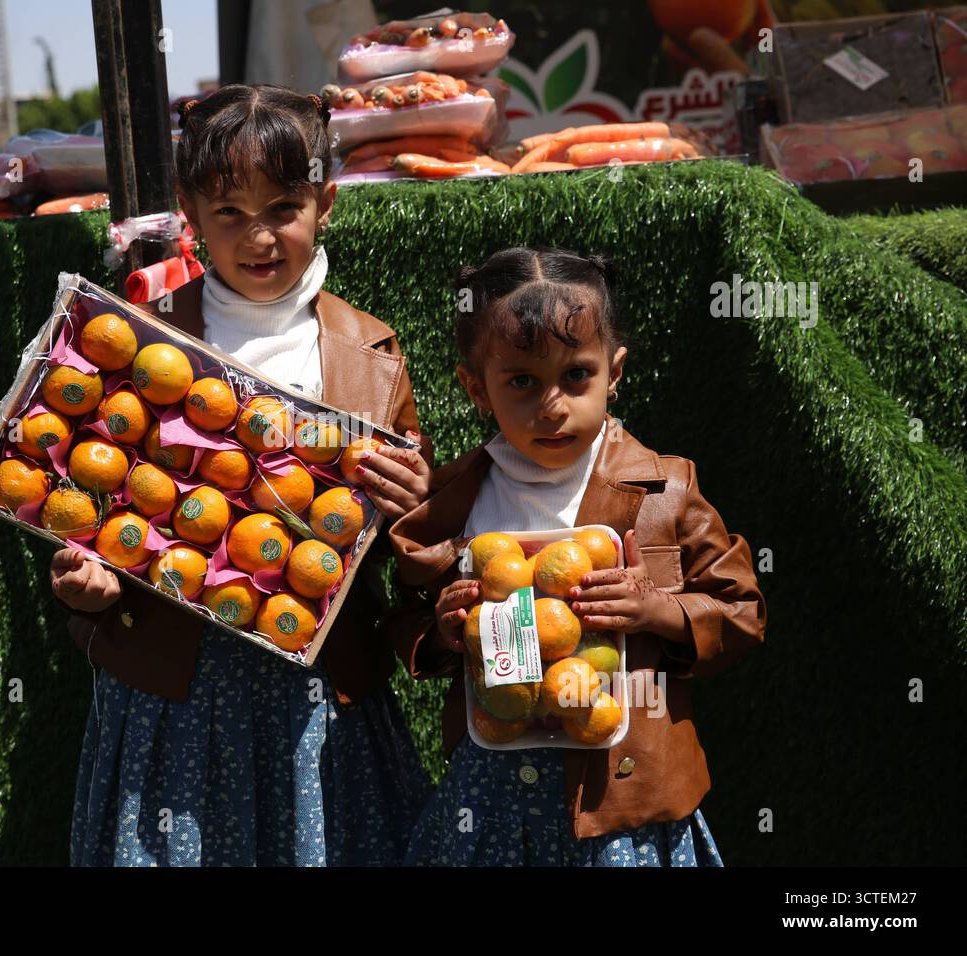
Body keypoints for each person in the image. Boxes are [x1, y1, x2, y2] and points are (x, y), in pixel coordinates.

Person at [49, 84, 433, 866]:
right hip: (173, 690)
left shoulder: (372, 355)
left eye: (284, 207)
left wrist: (417, 513)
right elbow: (88, 496)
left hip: (321, 698)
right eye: (229, 213)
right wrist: (91, 582)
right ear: (190, 211)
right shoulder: (137, 342)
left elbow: (398, 551)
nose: (259, 236)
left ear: (325, 203)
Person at [387, 247, 766, 865]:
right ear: (475, 386)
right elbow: (404, 614)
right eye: (522, 382)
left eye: (576, 375)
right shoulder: (455, 499)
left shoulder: (665, 489)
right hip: (491, 801)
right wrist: (443, 630)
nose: (553, 404)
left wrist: (656, 610)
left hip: (623, 806)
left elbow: (742, 611)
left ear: (614, 372)